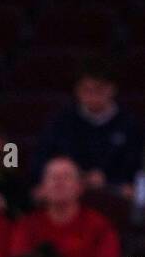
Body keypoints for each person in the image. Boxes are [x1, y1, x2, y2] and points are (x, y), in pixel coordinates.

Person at [10, 157, 121, 257]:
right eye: (53, 177)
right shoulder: (27, 226)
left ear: (80, 187)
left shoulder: (100, 227)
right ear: (42, 188)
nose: (59, 182)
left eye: (66, 177)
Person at [34, 58, 143, 192]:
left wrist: (110, 181)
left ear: (112, 89)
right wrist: (77, 177)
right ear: (77, 91)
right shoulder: (61, 123)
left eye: (99, 89)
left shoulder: (130, 125)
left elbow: (136, 168)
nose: (93, 96)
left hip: (117, 193)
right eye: (86, 90)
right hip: (69, 191)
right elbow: (42, 161)